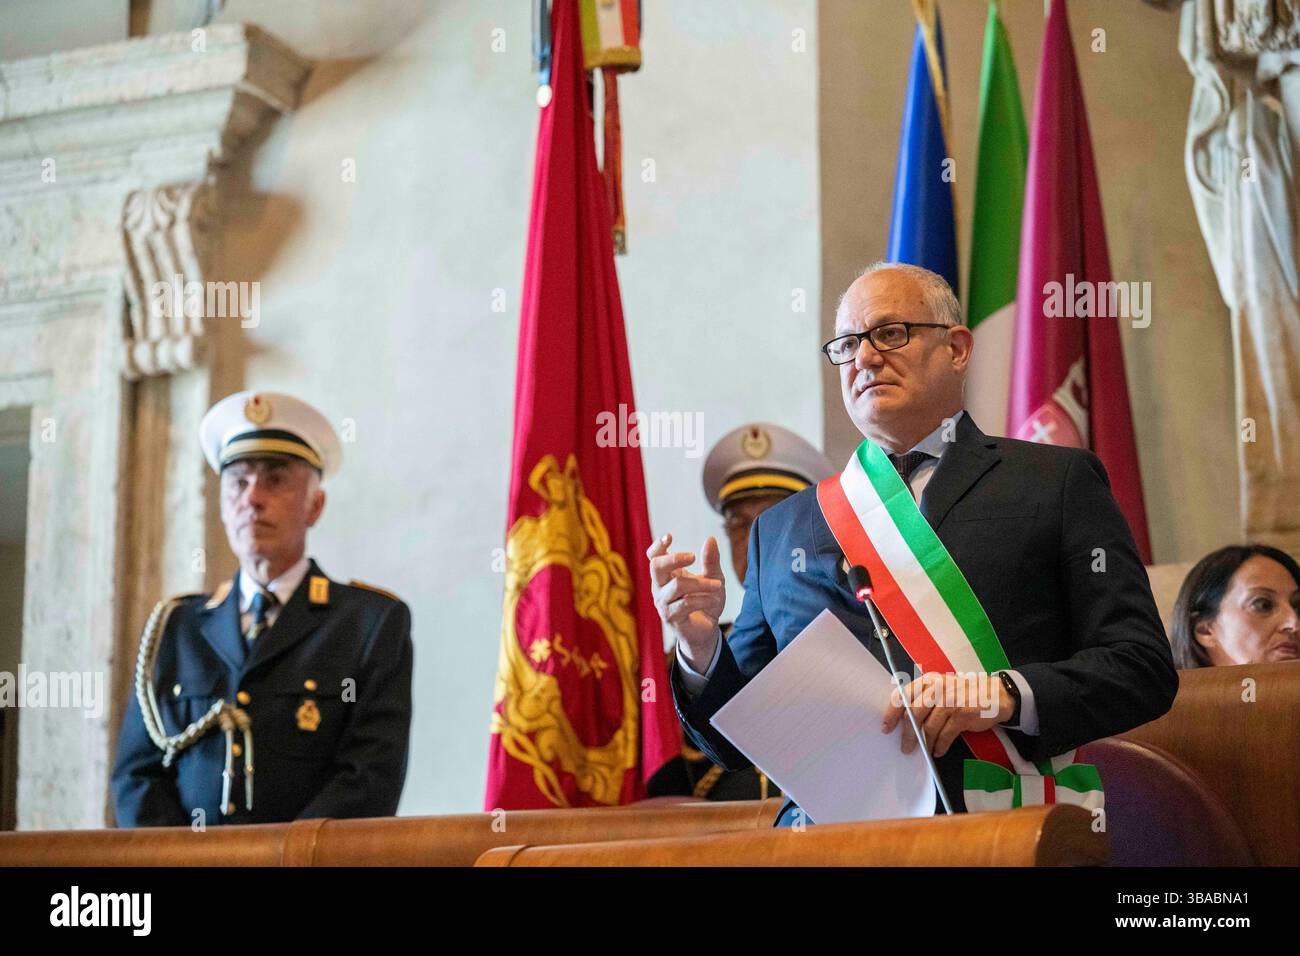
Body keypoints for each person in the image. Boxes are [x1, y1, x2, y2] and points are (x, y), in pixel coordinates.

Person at [648, 262, 1178, 826]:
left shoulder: (1057, 481)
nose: (866, 358)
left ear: (957, 348)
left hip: (1000, 826)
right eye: (848, 344)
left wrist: (1001, 695)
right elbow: (735, 746)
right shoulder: (782, 529)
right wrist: (699, 649)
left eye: (891, 334)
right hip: (832, 844)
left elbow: (1140, 668)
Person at [112, 391, 413, 827]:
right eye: (238, 482)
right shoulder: (176, 626)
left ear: (315, 505)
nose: (252, 498)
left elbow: (369, 778)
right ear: (221, 504)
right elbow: (136, 775)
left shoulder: (370, 623)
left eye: (275, 480)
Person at [648, 424, 833, 800]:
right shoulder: (693, 659)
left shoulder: (851, 622)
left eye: (773, 518)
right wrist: (698, 646)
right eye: (740, 523)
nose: (754, 538)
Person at [1171, 544, 1300, 668]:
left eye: (1298, 607)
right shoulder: (1163, 690)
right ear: (1205, 630)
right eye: (1263, 605)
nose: (1294, 624)